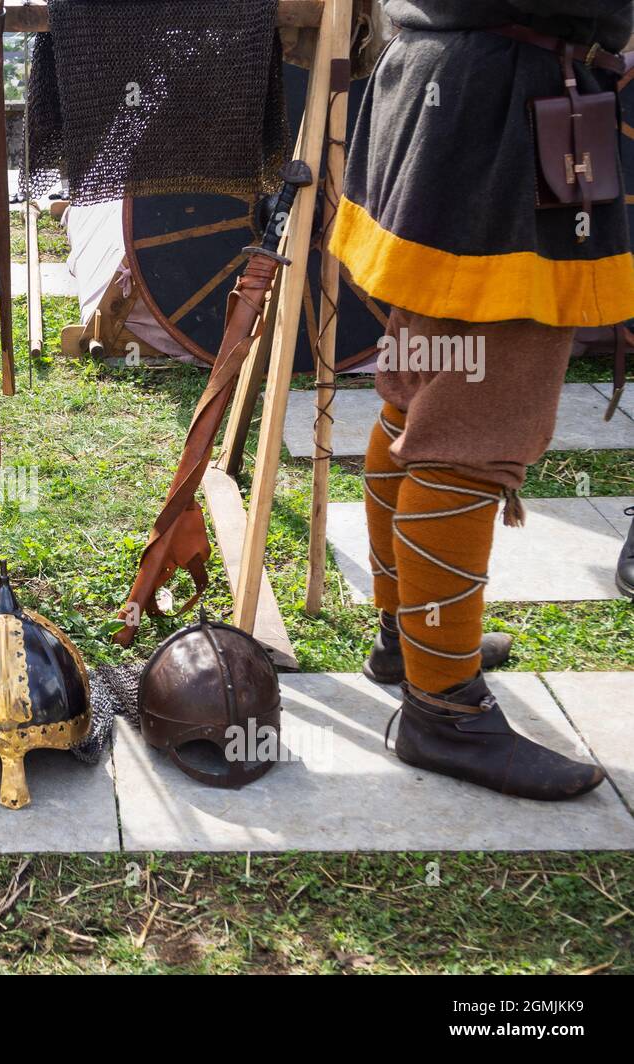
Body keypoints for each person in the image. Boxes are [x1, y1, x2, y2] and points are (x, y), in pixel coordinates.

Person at [329, 1, 634, 799]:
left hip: (447, 93)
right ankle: (444, 712)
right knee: (474, 420)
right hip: (503, 112)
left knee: (419, 393)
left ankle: (411, 641)